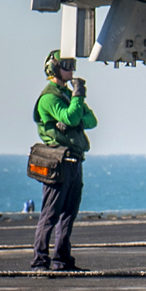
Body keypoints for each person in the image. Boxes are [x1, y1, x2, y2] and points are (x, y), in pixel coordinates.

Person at [32, 50, 97, 271]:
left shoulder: (67, 95)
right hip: (58, 161)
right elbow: (71, 117)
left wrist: (75, 107)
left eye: (72, 64)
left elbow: (91, 121)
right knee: (50, 213)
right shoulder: (50, 97)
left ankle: (61, 259)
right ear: (54, 68)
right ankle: (40, 260)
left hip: (74, 160)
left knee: (69, 212)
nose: (71, 69)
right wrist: (78, 99)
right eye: (66, 64)